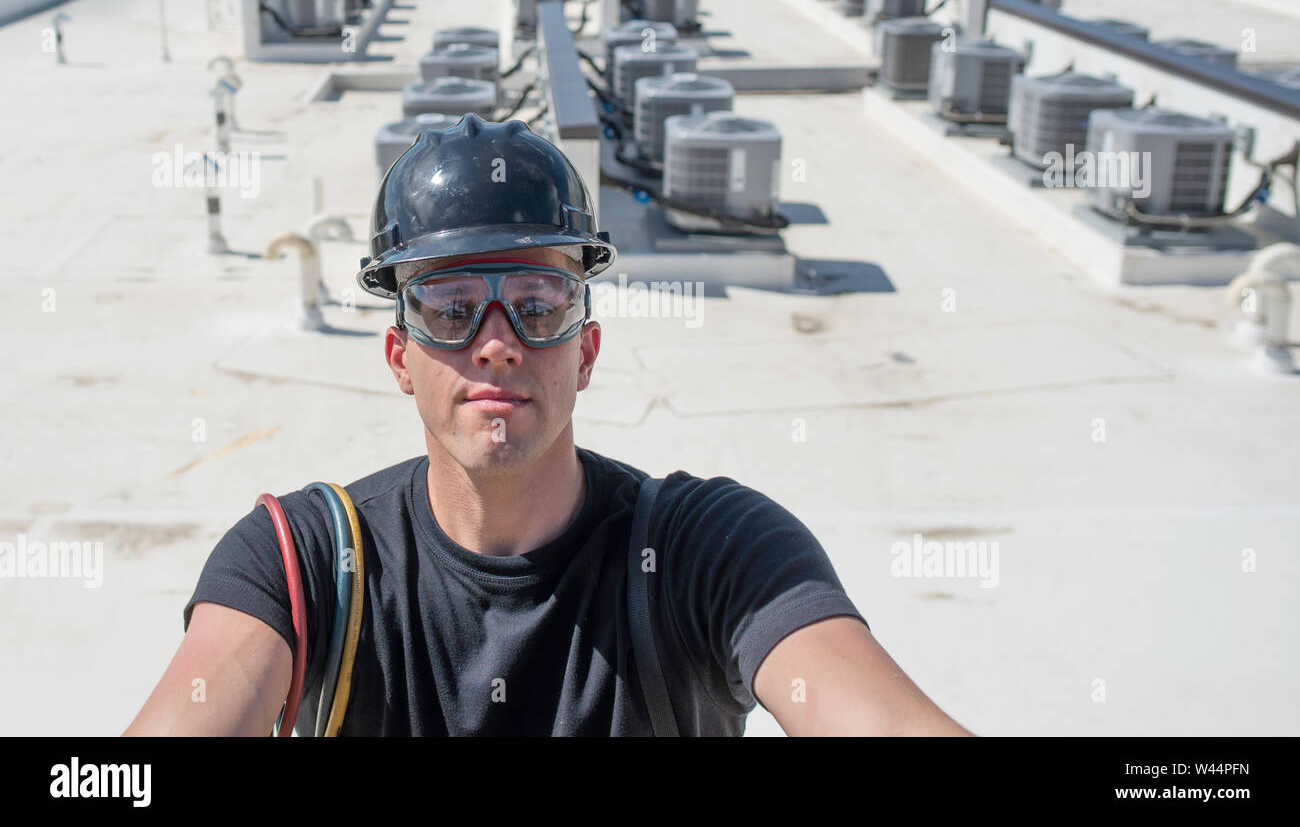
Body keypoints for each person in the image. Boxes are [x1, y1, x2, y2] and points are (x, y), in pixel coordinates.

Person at [125, 115, 972, 737]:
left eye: (537, 304)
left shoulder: (708, 549)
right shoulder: (305, 561)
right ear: (397, 356)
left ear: (587, 350)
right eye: (452, 308)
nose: (497, 343)